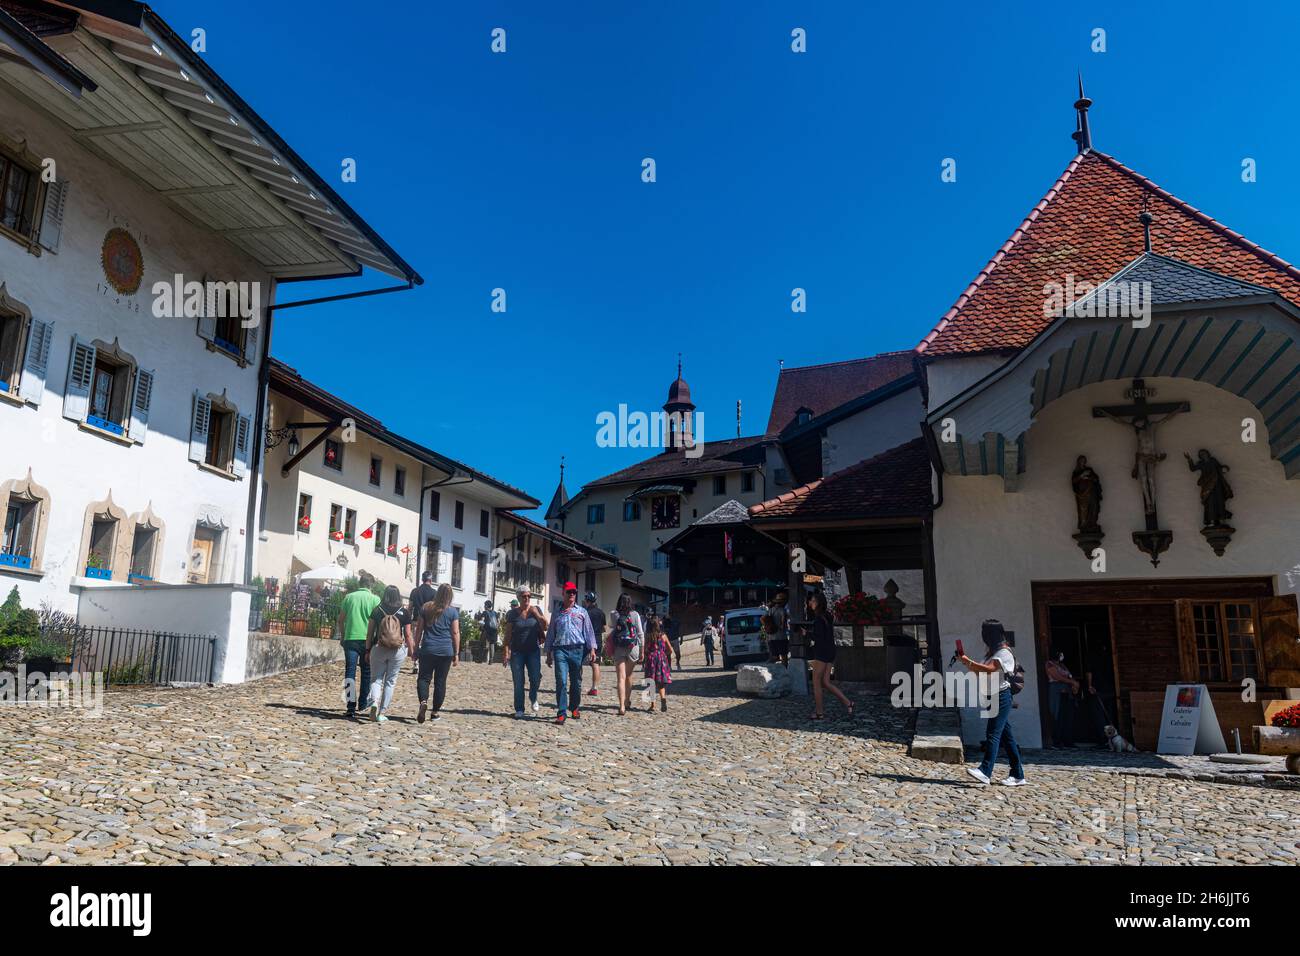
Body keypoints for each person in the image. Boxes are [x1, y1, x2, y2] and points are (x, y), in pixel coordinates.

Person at [957, 620, 1026, 787]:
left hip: (1001, 696)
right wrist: (965, 662)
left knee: (993, 734)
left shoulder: (1004, 652)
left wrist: (969, 662)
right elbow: (981, 671)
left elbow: (990, 669)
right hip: (992, 696)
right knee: (1006, 737)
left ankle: (985, 771)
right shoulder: (990, 653)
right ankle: (1018, 775)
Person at [544, 581, 596, 725]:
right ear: (563, 593)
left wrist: (592, 649)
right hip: (560, 650)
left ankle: (574, 707)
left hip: (577, 650)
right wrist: (548, 653)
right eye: (569, 592)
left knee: (576, 683)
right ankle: (561, 712)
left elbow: (589, 631)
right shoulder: (557, 612)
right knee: (561, 680)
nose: (572, 594)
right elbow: (551, 633)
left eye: (574, 592)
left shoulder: (582, 611)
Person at [365, 585, 415, 722]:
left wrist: (367, 650)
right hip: (397, 650)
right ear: (398, 596)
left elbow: (369, 633)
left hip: (378, 647)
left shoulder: (377, 610)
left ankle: (374, 702)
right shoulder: (404, 613)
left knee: (376, 679)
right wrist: (411, 651)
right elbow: (408, 634)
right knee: (390, 682)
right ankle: (382, 713)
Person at [805, 590, 853, 721]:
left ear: (818, 603)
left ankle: (819, 713)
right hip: (831, 650)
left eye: (813, 601)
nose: (810, 603)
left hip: (822, 652)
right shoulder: (828, 616)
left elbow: (818, 637)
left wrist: (806, 633)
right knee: (826, 682)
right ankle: (848, 703)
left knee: (816, 683)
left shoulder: (819, 619)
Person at [416, 583, 460, 723]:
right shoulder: (453, 612)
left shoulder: (426, 607)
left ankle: (423, 702)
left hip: (428, 649)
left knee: (424, 679)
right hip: (445, 651)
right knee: (440, 682)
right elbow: (455, 632)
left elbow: (419, 630)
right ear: (450, 596)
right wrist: (456, 653)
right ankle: (434, 712)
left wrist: (416, 647)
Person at [503, 585, 548, 718]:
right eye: (524, 596)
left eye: (529, 596)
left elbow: (545, 626)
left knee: (535, 677)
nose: (527, 598)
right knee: (518, 681)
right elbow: (508, 634)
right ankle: (519, 709)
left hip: (533, 651)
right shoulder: (512, 614)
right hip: (517, 652)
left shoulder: (536, 610)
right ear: (518, 597)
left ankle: (533, 696)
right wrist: (506, 651)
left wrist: (536, 614)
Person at [337, 582, 379, 719]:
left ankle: (350, 705)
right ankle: (362, 703)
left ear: (359, 584)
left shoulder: (349, 597)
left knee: (350, 672)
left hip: (351, 638)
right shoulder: (375, 599)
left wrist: (343, 636)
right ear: (370, 585)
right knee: (366, 672)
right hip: (367, 640)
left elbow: (340, 620)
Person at [608, 593, 645, 715]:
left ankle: (622, 706)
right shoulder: (635, 615)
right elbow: (640, 633)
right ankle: (628, 700)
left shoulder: (614, 614)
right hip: (632, 648)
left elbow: (612, 628)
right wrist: (642, 650)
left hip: (619, 647)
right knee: (629, 676)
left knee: (620, 678)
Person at [1044, 649, 1079, 748]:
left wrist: (1074, 684)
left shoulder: (1062, 665)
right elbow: (1057, 676)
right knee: (1057, 714)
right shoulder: (1050, 664)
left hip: (1066, 691)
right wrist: (1071, 682)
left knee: (1067, 716)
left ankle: (1068, 740)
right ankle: (1057, 741)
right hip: (1056, 691)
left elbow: (1069, 675)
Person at [407, 570, 437, 674]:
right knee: (426, 641)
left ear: (422, 579)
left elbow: (410, 607)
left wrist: (408, 620)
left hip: (416, 619)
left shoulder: (415, 591)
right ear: (431, 580)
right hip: (429, 621)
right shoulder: (434, 593)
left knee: (416, 641)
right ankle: (425, 662)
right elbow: (435, 609)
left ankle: (416, 663)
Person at [642, 617, 673, 712]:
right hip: (661, 659)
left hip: (651, 660)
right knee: (661, 682)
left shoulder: (648, 636)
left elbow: (645, 650)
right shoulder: (663, 636)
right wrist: (663, 654)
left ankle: (653, 705)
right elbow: (670, 650)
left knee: (651, 682)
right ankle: (663, 698)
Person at [584, 592, 606, 697]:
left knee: (578, 663)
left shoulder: (585, 612)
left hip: (586, 640)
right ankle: (594, 688)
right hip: (598, 640)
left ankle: (576, 685)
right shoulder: (601, 612)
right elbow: (604, 628)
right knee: (595, 664)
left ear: (587, 601)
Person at [765, 592, 790, 665]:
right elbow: (782, 626)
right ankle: (785, 672)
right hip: (781, 637)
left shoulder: (770, 610)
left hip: (771, 637)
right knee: (784, 657)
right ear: (783, 601)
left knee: (774, 657)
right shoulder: (782, 611)